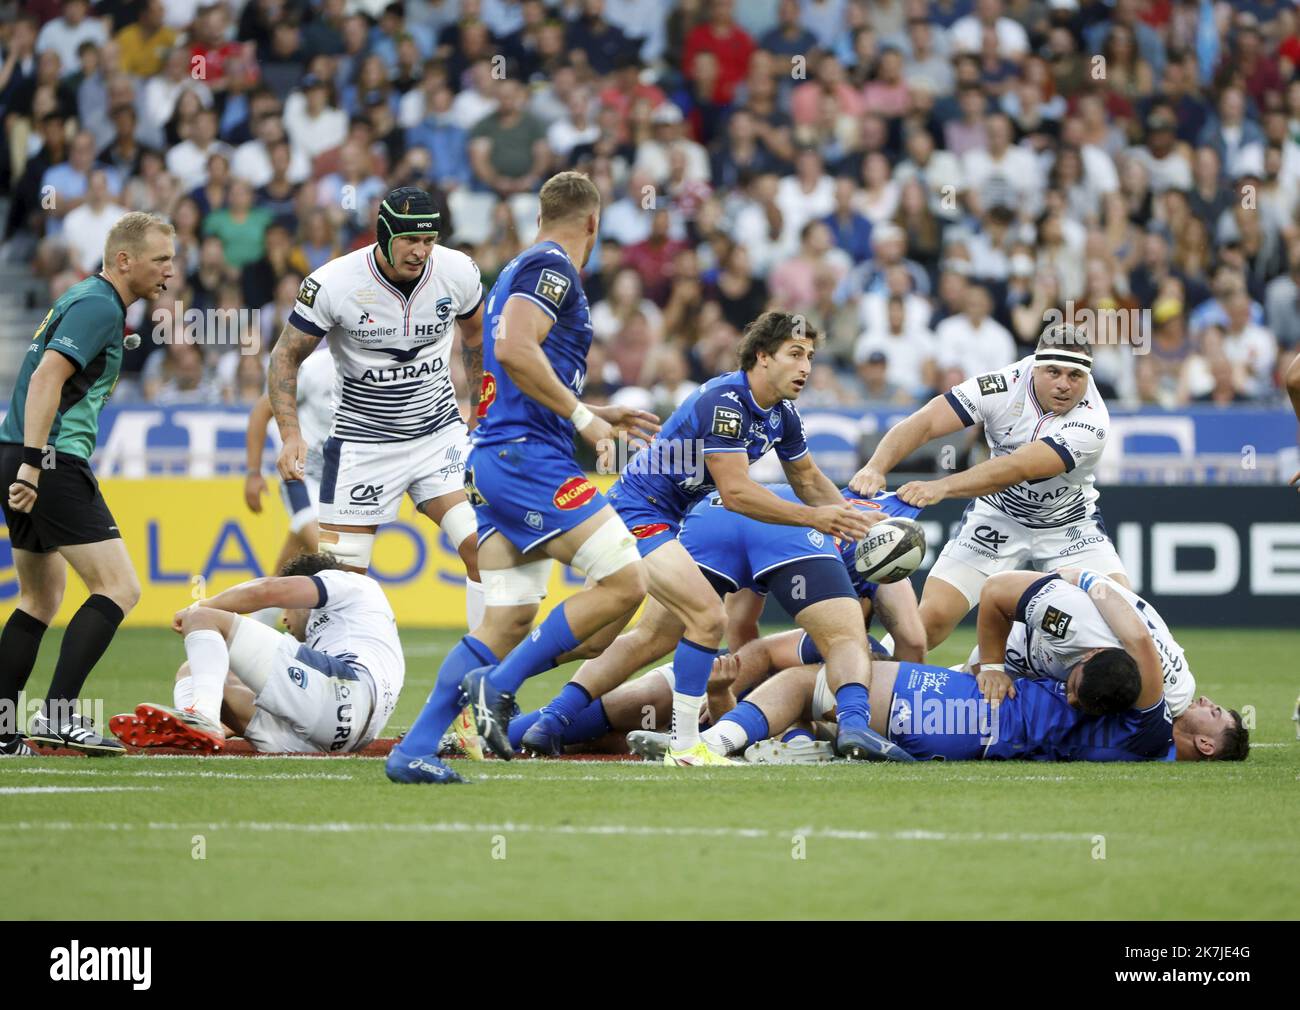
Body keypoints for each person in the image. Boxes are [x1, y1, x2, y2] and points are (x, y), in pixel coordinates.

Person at [388, 171, 658, 785]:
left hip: (497, 454)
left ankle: (414, 749)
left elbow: (516, 357)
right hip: (526, 458)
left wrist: (595, 407)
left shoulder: (517, 266)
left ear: (541, 215)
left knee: (507, 619)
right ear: (594, 221)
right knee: (625, 579)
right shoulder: (553, 267)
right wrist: (586, 418)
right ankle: (498, 688)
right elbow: (511, 347)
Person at [523, 312, 874, 766]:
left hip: (667, 520)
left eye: (809, 356)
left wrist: (857, 518)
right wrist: (816, 520)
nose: (806, 366)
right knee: (697, 621)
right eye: (794, 354)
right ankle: (682, 745)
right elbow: (736, 494)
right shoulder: (727, 400)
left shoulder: (782, 414)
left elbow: (807, 477)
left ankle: (546, 720)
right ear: (762, 358)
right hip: (637, 511)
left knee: (622, 638)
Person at [507, 488, 927, 758]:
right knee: (842, 641)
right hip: (735, 672)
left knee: (643, 652)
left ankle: (532, 718)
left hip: (722, 514)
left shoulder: (861, 517)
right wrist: (727, 689)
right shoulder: (857, 625)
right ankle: (854, 728)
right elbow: (911, 641)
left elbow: (744, 621)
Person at [635, 579, 1248, 764]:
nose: (1211, 703)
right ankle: (784, 745)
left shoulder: (1149, 722)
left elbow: (1137, 636)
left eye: (1215, 716)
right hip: (974, 730)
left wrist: (1091, 582)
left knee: (806, 677)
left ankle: (708, 744)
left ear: (1201, 743)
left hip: (969, 711)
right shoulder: (1138, 742)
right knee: (817, 696)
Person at [267, 187, 487, 631]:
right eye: (409, 240)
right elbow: (284, 357)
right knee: (345, 588)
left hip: (437, 435)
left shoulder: (458, 270)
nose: (420, 252)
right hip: (361, 446)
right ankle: (317, 685)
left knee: (484, 551)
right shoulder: (334, 282)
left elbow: (478, 338)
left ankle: (483, 684)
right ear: (383, 234)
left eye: (428, 241)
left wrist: (481, 409)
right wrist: (291, 433)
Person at [0, 212, 174, 757]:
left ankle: (3, 732)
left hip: (18, 453)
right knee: (120, 587)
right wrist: (35, 463)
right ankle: (56, 716)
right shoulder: (100, 305)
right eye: (161, 258)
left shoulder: (82, 298)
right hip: (47, 461)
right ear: (125, 260)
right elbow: (49, 377)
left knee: (39, 596)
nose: (170, 269)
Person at [850, 323, 1129, 652]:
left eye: (1075, 376)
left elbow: (1018, 467)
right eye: (1053, 372)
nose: (1064, 385)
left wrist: (943, 487)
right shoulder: (1001, 385)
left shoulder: (1093, 420)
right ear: (1035, 365)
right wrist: (875, 467)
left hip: (1068, 526)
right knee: (932, 618)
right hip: (999, 516)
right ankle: (867, 685)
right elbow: (925, 422)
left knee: (1123, 624)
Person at [112, 554, 403, 755]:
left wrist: (199, 608)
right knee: (194, 671)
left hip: (345, 693)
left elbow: (266, 590)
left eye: (287, 610)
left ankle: (202, 716)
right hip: (341, 739)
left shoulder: (348, 582)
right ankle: (196, 725)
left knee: (204, 620)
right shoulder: (357, 633)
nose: (283, 619)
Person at [971, 569, 1196, 718]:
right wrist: (992, 667)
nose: (1070, 699)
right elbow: (995, 589)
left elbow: (1138, 637)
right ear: (1090, 655)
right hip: (1022, 644)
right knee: (977, 688)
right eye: (1075, 688)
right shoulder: (1072, 623)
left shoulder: (1175, 693)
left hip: (1062, 651)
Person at [244, 345, 333, 610]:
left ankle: (256, 626)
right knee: (331, 557)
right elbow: (261, 412)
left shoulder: (375, 370)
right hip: (301, 475)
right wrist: (253, 473)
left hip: (339, 482)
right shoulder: (314, 369)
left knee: (292, 559)